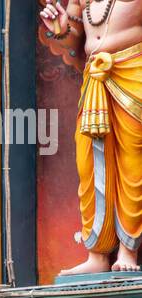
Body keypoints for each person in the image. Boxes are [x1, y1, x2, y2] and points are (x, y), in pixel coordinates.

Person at [41, 0, 142, 273]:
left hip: (132, 72)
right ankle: (97, 254)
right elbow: (73, 40)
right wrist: (61, 30)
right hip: (94, 78)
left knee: (132, 163)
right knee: (90, 164)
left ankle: (127, 251)